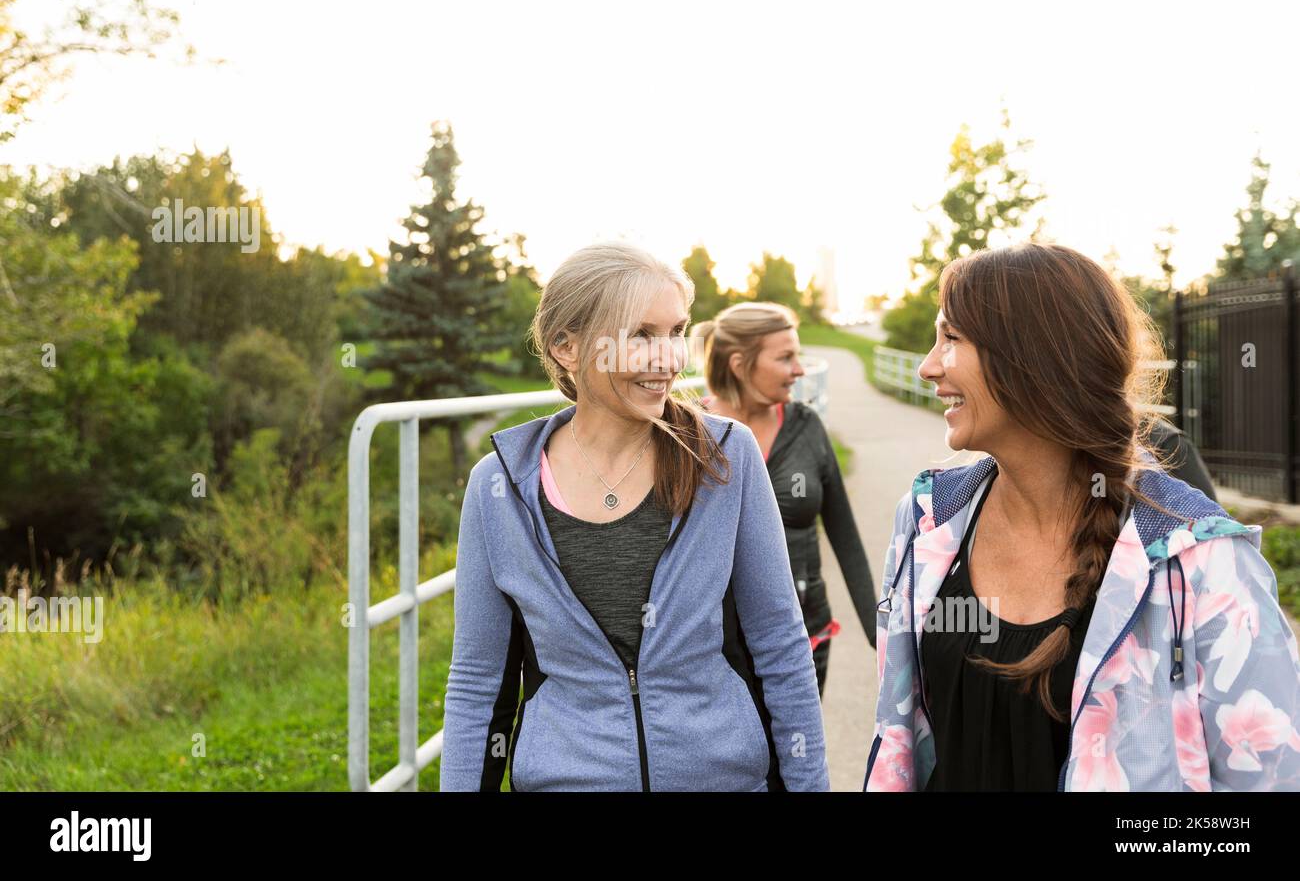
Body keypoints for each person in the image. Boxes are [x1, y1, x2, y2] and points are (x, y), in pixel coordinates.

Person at [865, 242, 1300, 792]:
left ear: (1033, 359)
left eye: (951, 338)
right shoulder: (928, 521)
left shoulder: (1201, 559)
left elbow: (1271, 782)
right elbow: (899, 742)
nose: (929, 367)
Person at [440, 242, 829, 792]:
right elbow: (478, 681)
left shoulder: (725, 457)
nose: (668, 359)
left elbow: (780, 645)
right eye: (641, 335)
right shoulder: (499, 485)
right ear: (567, 347)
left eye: (676, 332)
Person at [692, 302, 878, 699]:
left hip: (804, 638)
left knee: (798, 757)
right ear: (740, 364)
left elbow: (846, 540)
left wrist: (884, 643)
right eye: (786, 357)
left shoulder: (806, 426)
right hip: (713, 653)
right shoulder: (689, 433)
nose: (799, 369)